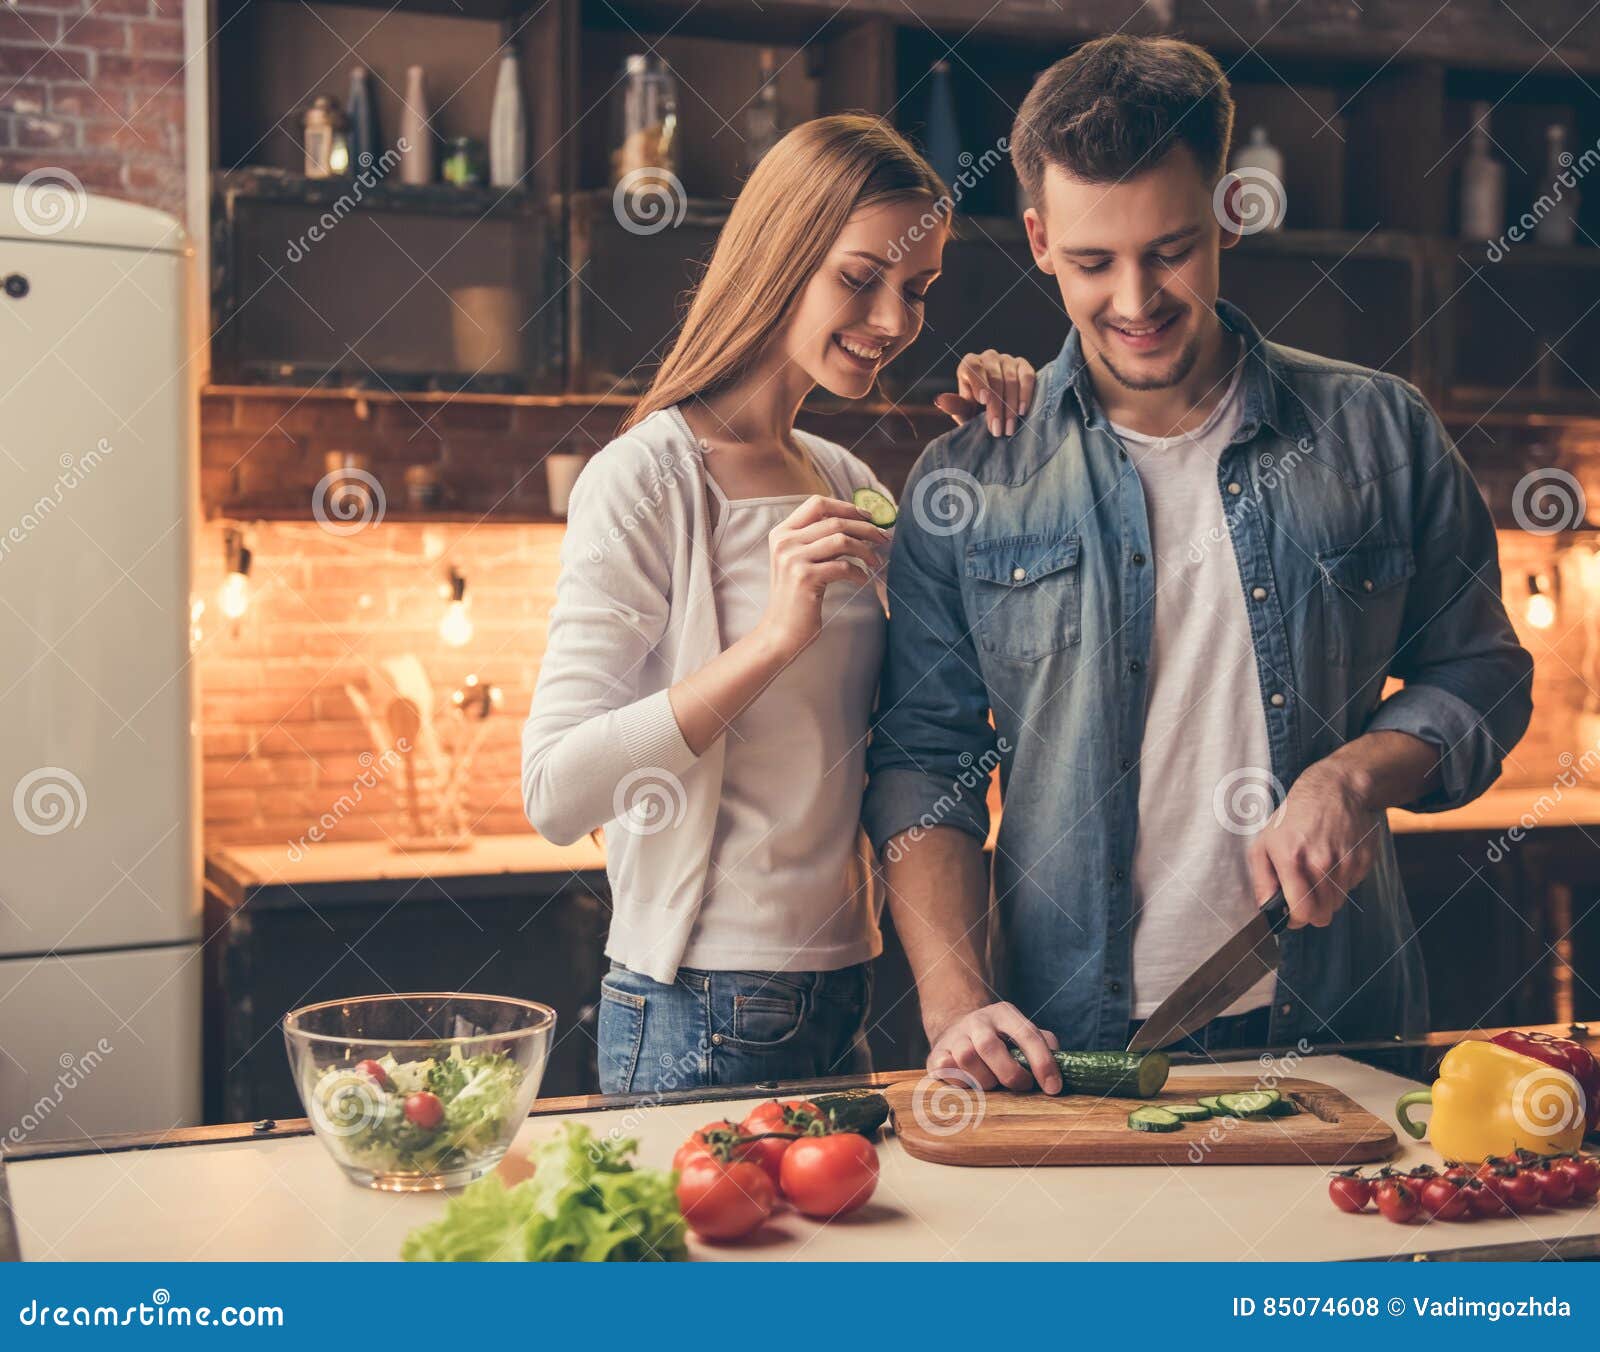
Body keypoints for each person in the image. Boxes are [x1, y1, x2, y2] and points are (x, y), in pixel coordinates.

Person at [862, 35, 1534, 1094]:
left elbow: (1483, 673)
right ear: (1038, 239)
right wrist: (954, 1005)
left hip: (1340, 1029)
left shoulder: (1376, 429)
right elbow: (922, 759)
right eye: (1092, 261)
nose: (1134, 300)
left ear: (1226, 213)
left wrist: (1357, 773)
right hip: (1067, 1049)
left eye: (1168, 249)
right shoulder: (971, 477)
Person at [522, 115, 1036, 1094]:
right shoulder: (644, 479)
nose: (892, 319)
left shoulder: (843, 476)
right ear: (780, 254)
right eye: (860, 277)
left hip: (844, 981)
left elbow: (926, 707)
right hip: (693, 998)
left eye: (917, 290)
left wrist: (1007, 440)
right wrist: (771, 637)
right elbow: (554, 789)